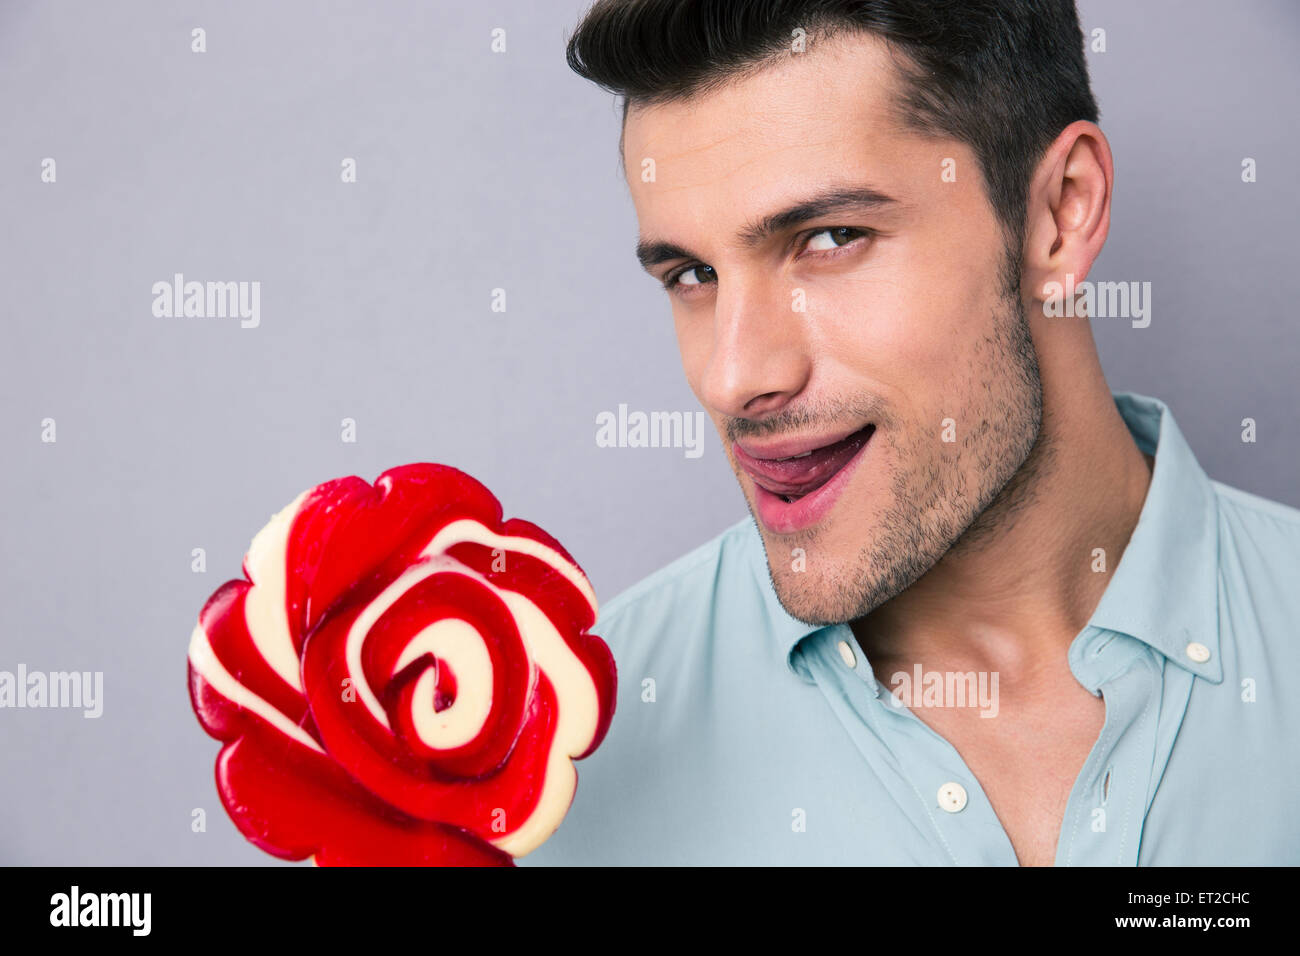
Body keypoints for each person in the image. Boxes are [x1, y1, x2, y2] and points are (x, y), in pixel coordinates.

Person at [524, 0, 1300, 865]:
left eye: (829, 238)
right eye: (693, 273)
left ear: (1061, 213)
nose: (733, 377)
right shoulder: (574, 753)